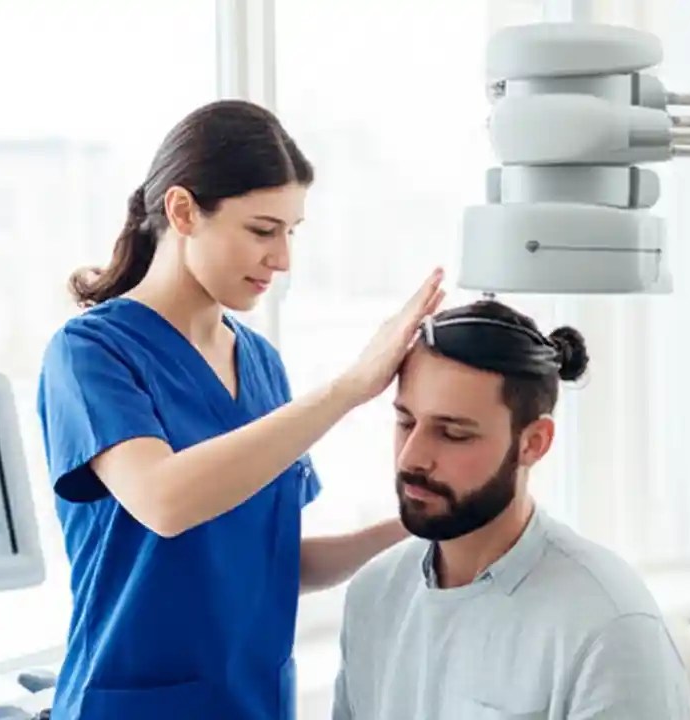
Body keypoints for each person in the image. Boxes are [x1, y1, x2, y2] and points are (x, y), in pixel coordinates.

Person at [36, 99, 443, 720]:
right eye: (261, 230)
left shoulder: (260, 364)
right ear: (183, 211)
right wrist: (349, 388)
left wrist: (420, 524)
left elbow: (275, 561)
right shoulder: (91, 353)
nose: (282, 259)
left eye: (290, 232)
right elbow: (166, 502)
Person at [332, 300, 690, 720]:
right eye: (406, 423)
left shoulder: (607, 626)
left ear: (533, 442)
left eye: (453, 434)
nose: (412, 458)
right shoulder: (374, 595)